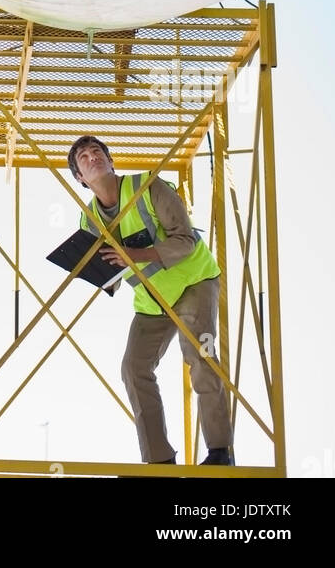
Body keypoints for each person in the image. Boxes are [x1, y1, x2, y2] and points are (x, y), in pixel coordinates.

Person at [67, 134, 234, 467]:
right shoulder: (88, 221)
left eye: (97, 151)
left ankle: (219, 452)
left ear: (111, 160)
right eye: (83, 157)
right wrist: (94, 272)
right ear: (80, 179)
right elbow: (112, 276)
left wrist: (134, 255)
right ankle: (159, 462)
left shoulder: (150, 187)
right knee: (134, 368)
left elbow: (186, 241)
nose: (92, 156)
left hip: (193, 282)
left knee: (200, 357)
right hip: (152, 299)